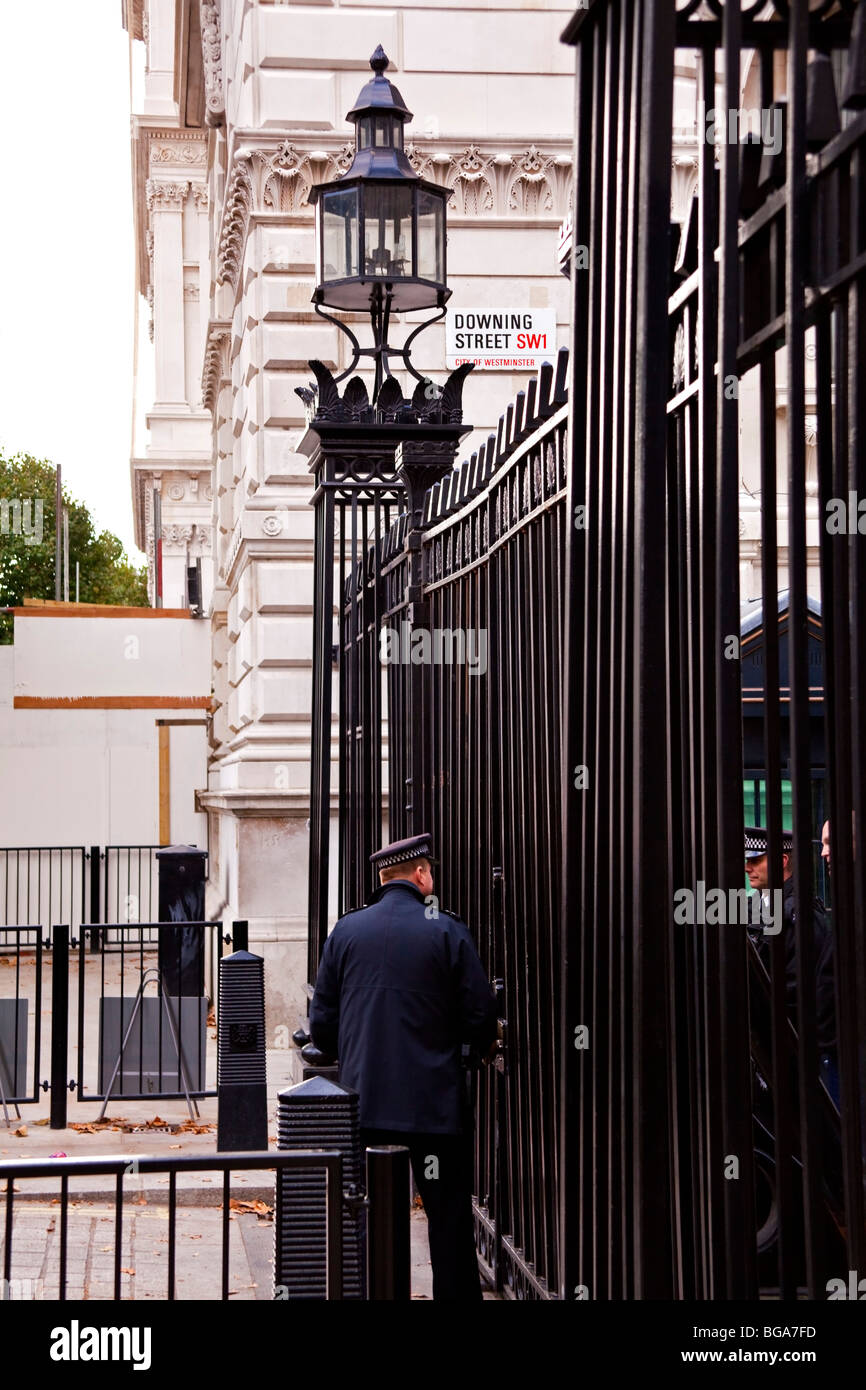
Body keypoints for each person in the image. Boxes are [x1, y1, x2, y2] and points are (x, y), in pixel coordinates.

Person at [309, 833, 499, 1301]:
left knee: (369, 1209)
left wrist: (349, 1054)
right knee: (447, 1216)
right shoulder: (447, 930)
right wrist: (476, 1047)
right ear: (420, 875)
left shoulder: (347, 931)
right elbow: (479, 1016)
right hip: (433, 1109)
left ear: (381, 878)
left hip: (367, 1103)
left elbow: (322, 1027)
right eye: (430, 871)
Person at [744, 826, 838, 1103]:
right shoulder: (754, 906)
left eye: (755, 860)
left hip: (785, 1052)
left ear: (781, 861)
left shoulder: (801, 914)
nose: (747, 867)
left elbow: (800, 994)